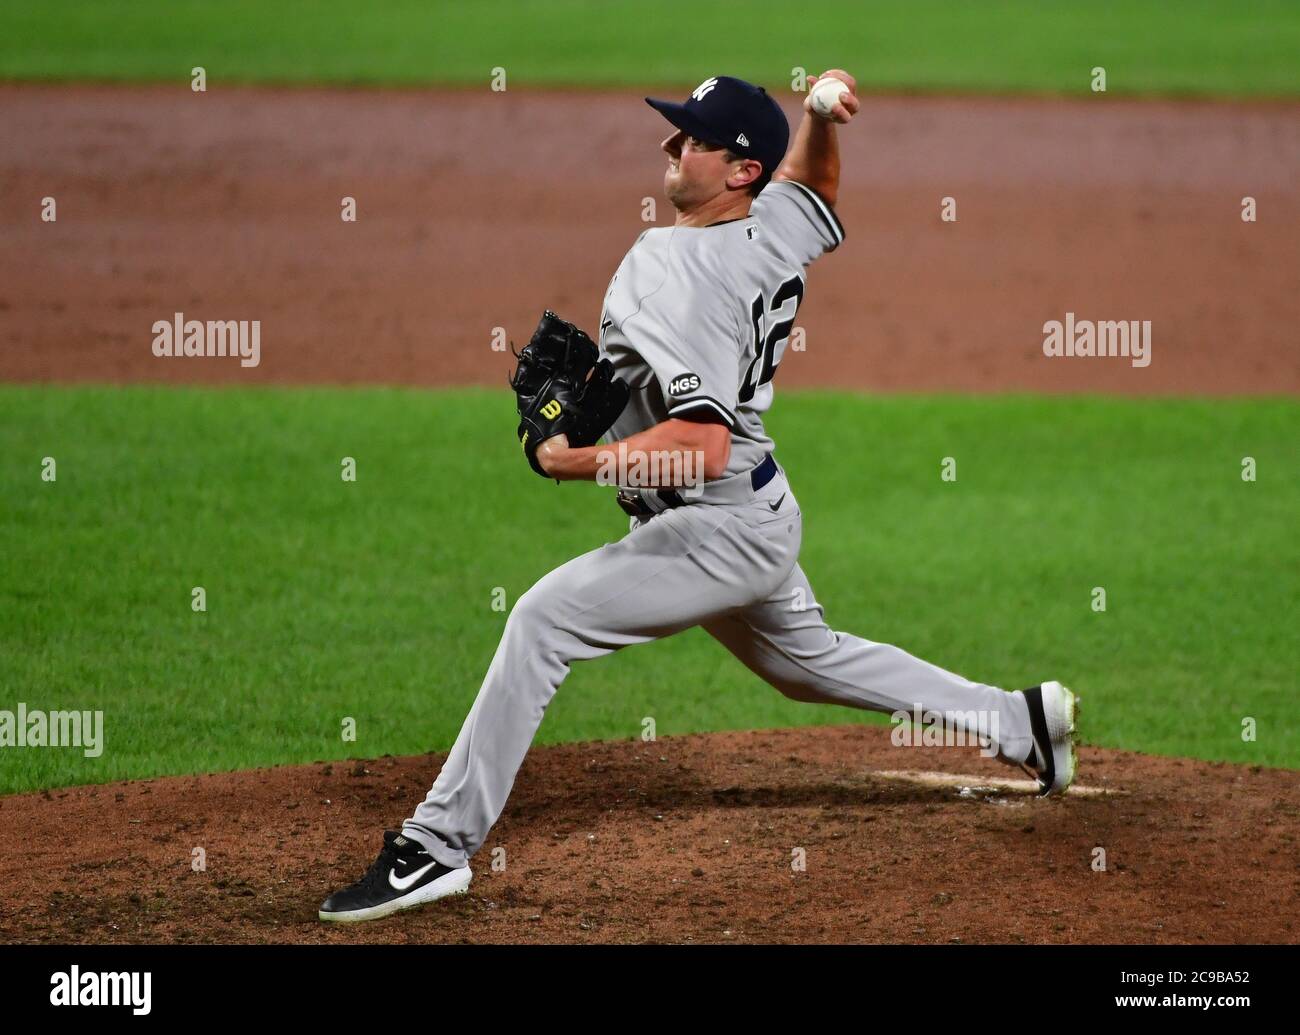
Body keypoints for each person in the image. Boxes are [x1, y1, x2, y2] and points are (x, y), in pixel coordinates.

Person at [319, 71, 1078, 923]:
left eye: (692, 139)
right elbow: (815, 185)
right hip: (758, 513)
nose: (671, 146)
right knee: (808, 662)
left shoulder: (675, 270)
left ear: (738, 171)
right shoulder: (769, 224)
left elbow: (700, 445)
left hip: (715, 523)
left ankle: (436, 846)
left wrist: (572, 462)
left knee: (541, 620)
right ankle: (1018, 721)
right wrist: (819, 120)